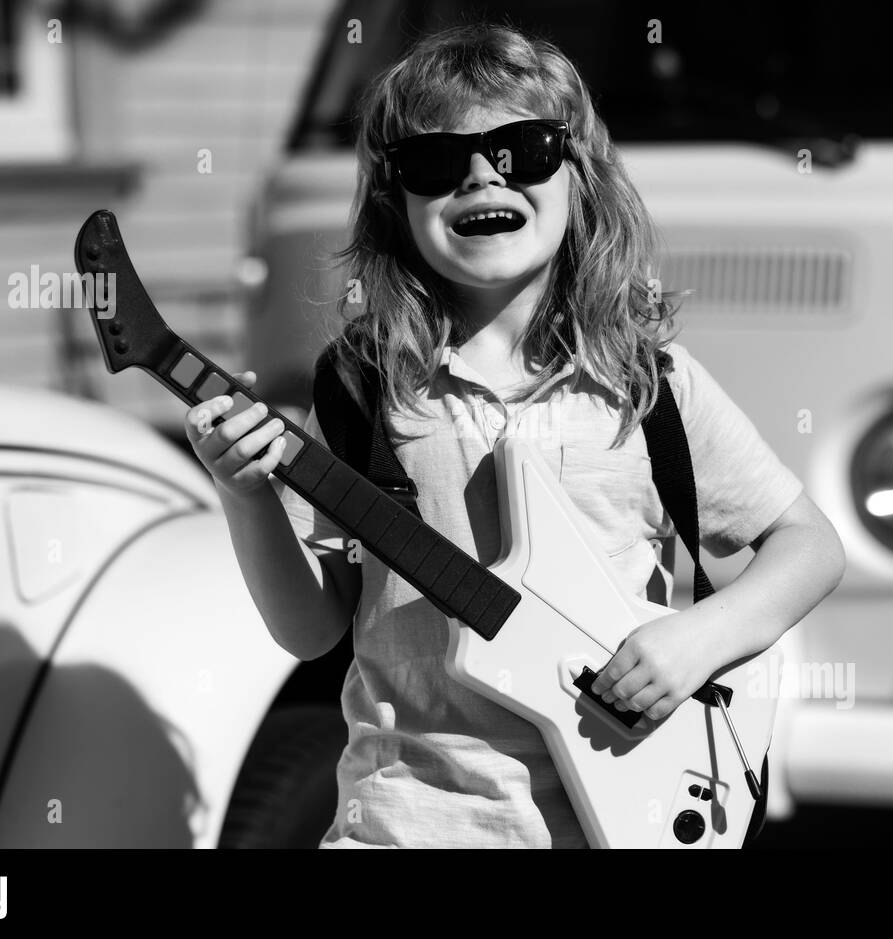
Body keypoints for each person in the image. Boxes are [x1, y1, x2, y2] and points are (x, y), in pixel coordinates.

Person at [183, 23, 845, 848]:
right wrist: (245, 495)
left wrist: (701, 637)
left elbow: (809, 544)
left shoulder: (647, 382)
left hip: (616, 817)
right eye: (435, 162)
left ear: (581, 177)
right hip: (405, 818)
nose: (479, 175)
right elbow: (311, 628)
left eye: (523, 148)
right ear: (399, 201)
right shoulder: (362, 386)